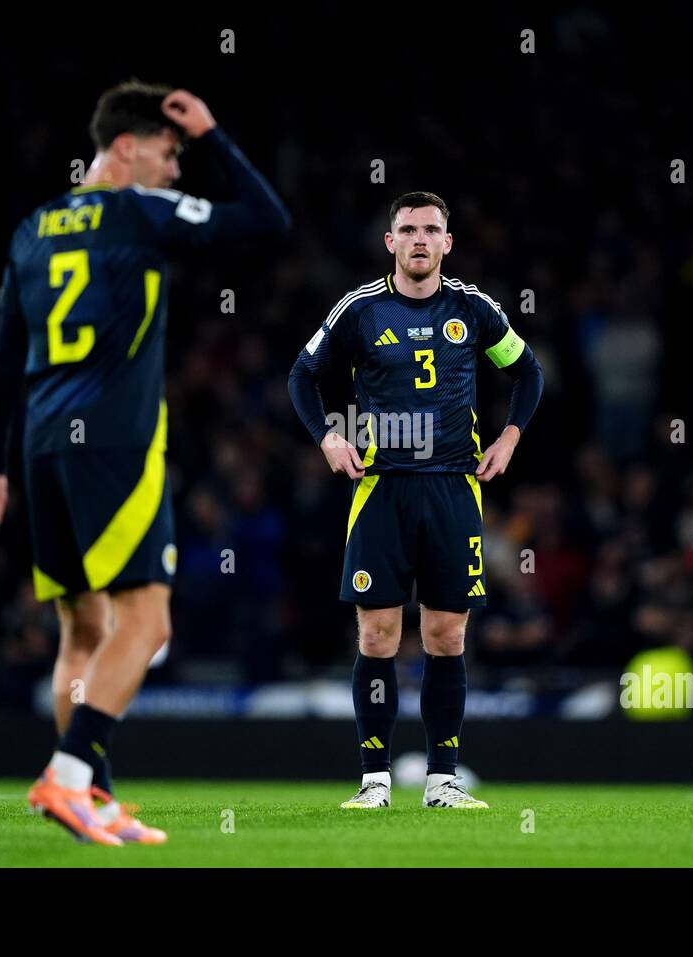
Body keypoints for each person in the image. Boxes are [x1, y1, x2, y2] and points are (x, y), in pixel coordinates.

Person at [0, 81, 289, 844]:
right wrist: (211, 135)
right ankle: (68, 776)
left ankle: (94, 796)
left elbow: (7, 353)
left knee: (83, 626)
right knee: (146, 618)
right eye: (171, 155)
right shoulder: (138, 210)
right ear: (128, 147)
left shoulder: (32, 228)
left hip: (42, 448)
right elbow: (268, 221)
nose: (177, 170)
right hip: (114, 441)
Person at [288, 192, 543, 809]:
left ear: (448, 242)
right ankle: (375, 780)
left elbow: (528, 372)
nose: (420, 239)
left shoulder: (474, 309)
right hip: (382, 487)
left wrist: (509, 437)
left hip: (455, 486)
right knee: (376, 636)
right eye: (408, 229)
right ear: (391, 243)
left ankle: (442, 780)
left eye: (432, 229)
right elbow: (302, 375)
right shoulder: (359, 310)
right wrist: (327, 437)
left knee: (446, 636)